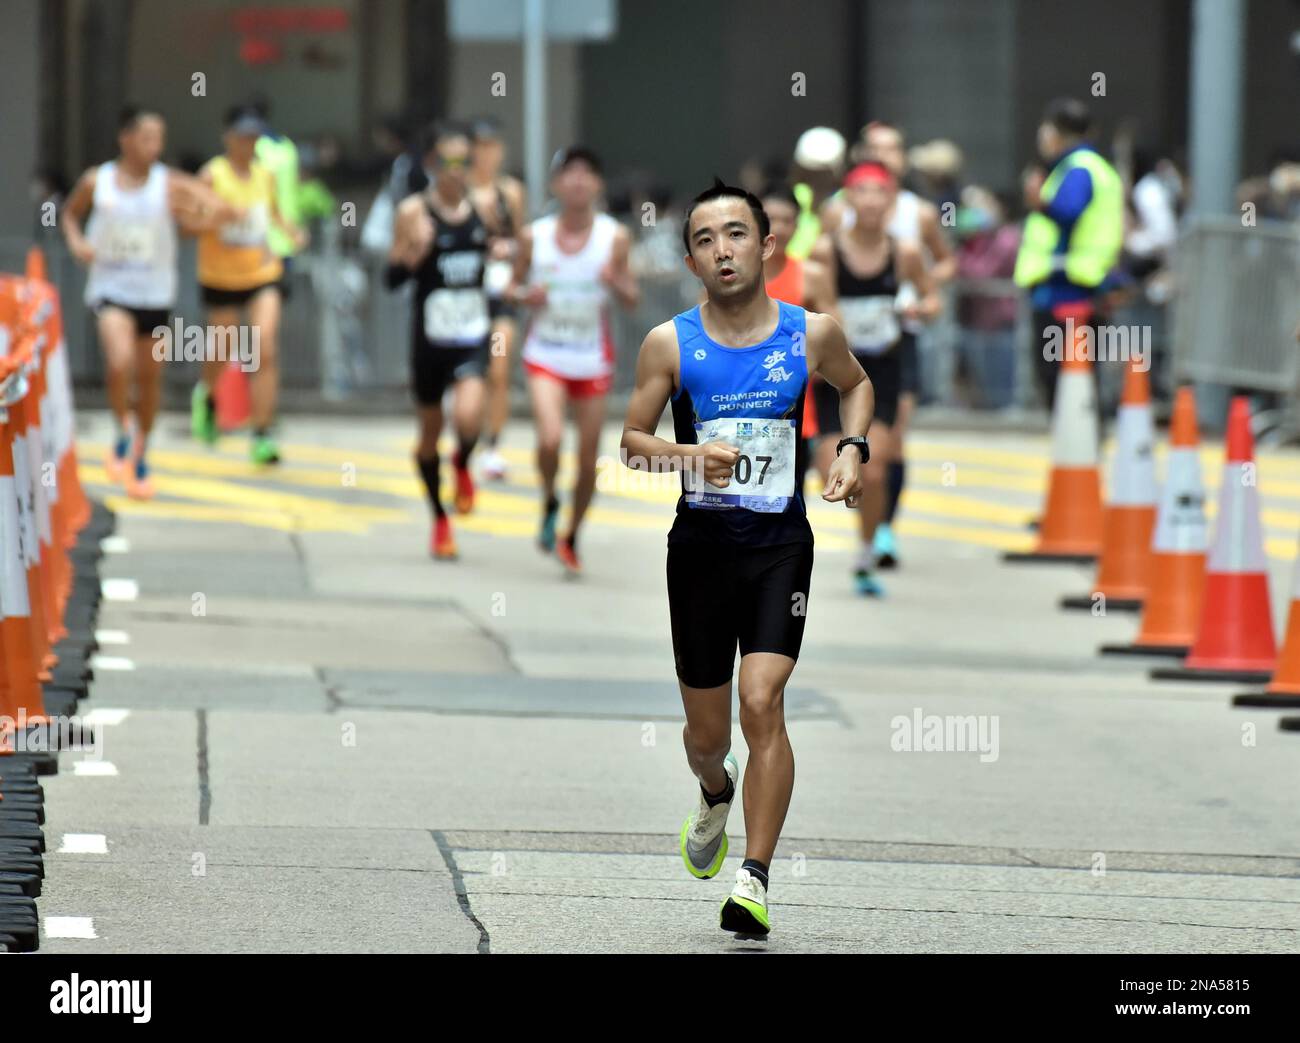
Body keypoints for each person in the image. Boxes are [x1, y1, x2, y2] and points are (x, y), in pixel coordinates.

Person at [620, 178, 873, 938]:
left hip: (778, 547)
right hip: (699, 550)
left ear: (768, 245)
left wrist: (852, 449)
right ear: (692, 259)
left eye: (736, 234)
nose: (721, 250)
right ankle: (714, 787)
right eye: (704, 239)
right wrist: (690, 456)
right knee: (708, 736)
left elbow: (856, 386)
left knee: (762, 700)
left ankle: (754, 879)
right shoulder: (670, 342)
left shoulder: (810, 333)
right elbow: (631, 445)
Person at [62, 105, 239, 497]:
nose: (154, 146)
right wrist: (77, 243)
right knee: (119, 359)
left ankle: (140, 448)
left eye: (159, 139)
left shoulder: (168, 183)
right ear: (125, 139)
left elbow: (218, 210)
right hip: (111, 289)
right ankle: (122, 426)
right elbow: (70, 215)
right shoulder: (99, 181)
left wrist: (204, 216)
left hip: (155, 294)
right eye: (146, 138)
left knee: (149, 376)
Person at [508, 146, 638, 575]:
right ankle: (548, 497)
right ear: (555, 184)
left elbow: (633, 299)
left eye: (587, 173)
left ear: (598, 184)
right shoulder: (535, 235)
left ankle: (571, 534)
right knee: (548, 439)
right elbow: (510, 287)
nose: (578, 181)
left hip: (591, 358)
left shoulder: (613, 237)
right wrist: (527, 296)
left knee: (587, 461)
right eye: (569, 173)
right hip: (545, 351)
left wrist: (615, 280)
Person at [819, 162, 939, 596]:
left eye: (879, 193)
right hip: (833, 371)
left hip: (881, 371)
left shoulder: (904, 252)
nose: (870, 201)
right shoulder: (826, 250)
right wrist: (837, 319)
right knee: (826, 473)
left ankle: (868, 548)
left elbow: (932, 298)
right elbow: (820, 301)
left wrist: (919, 309)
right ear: (848, 199)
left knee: (874, 470)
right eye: (862, 192)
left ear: (892, 201)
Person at [388, 121, 494, 560]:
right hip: (430, 338)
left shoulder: (484, 207)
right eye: (448, 162)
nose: (457, 171)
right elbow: (391, 278)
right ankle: (439, 519)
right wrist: (415, 251)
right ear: (432, 164)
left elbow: (497, 260)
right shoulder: (414, 212)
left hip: (471, 334)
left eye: (464, 161)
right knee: (430, 432)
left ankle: (464, 462)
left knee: (469, 417)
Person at [192, 106, 305, 464]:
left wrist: (290, 233)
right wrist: (218, 218)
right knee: (222, 350)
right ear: (229, 138)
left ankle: (262, 433)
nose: (249, 144)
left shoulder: (265, 175)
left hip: (261, 273)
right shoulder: (213, 175)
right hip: (221, 276)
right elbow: (188, 221)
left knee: (263, 346)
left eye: (255, 137)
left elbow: (272, 215)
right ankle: (207, 394)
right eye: (243, 137)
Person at [1013, 97, 1124, 411]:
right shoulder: (1097, 168)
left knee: (1063, 379)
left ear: (1053, 132)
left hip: (1065, 291)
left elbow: (1068, 211)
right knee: (1078, 378)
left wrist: (1039, 202)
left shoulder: (1077, 170)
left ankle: (1077, 451)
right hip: (1083, 287)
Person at [759, 184, 837, 495]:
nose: (777, 228)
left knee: (789, 498)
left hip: (795, 410)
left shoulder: (812, 276)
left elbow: (835, 334)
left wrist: (812, 369)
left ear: (796, 226)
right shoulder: (730, 273)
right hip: (737, 405)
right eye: (769, 218)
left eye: (786, 220)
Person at [468, 118, 527, 482]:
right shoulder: (459, 191)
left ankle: (493, 446)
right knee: (468, 373)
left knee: (499, 369)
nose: (488, 155)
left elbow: (523, 240)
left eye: (494, 147)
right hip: (465, 296)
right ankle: (463, 434)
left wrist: (513, 255)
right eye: (482, 147)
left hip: (500, 292)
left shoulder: (511, 193)